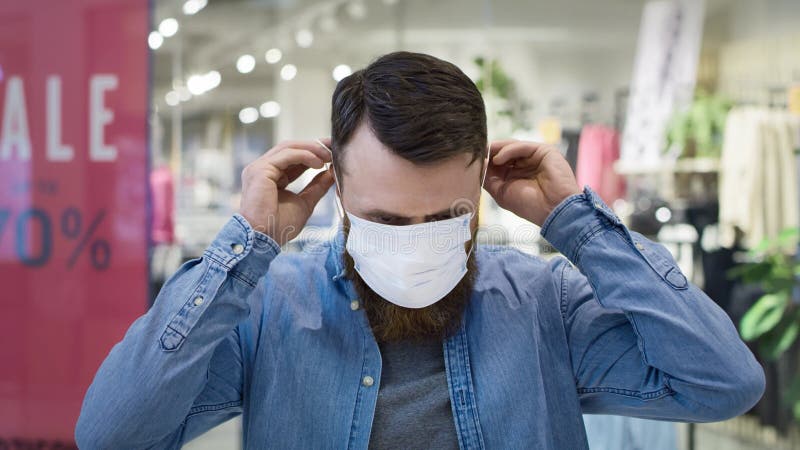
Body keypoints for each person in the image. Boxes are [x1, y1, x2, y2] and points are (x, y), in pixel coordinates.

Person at [75, 52, 765, 449]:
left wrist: (577, 224)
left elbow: (723, 382)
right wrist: (245, 249)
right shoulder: (269, 313)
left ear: (483, 190)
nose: (413, 243)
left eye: (445, 216)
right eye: (384, 218)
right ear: (336, 190)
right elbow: (112, 434)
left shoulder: (545, 308)